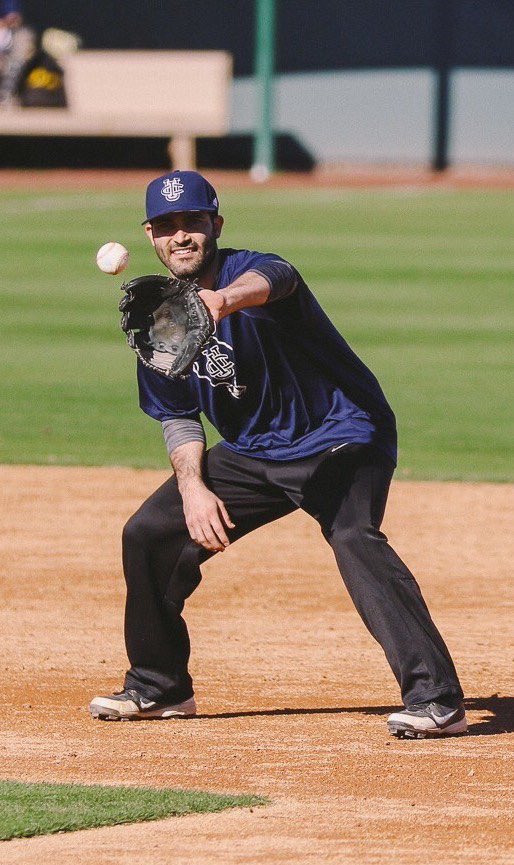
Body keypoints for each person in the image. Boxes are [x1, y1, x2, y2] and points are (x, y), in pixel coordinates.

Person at [89, 170, 467, 739]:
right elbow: (177, 414)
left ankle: (435, 699)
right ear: (150, 235)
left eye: (193, 221)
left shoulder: (248, 272)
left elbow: (280, 279)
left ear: (216, 224)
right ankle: (159, 685)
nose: (181, 235)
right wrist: (193, 488)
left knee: (352, 536)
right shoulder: (158, 317)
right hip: (253, 452)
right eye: (167, 226)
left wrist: (222, 301)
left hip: (341, 435)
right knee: (149, 533)